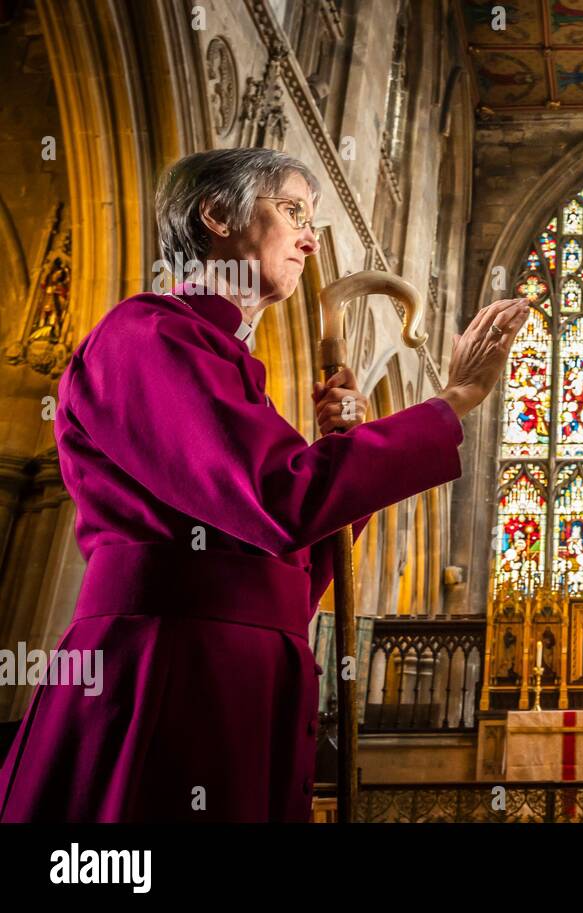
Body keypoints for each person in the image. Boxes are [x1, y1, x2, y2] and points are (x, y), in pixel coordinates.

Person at [0, 147, 529, 822]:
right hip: (164, 676)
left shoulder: (226, 362)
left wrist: (338, 451)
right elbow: (280, 502)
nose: (311, 238)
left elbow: (287, 569)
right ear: (217, 215)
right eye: (292, 211)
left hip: (239, 681)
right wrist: (453, 400)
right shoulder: (148, 333)